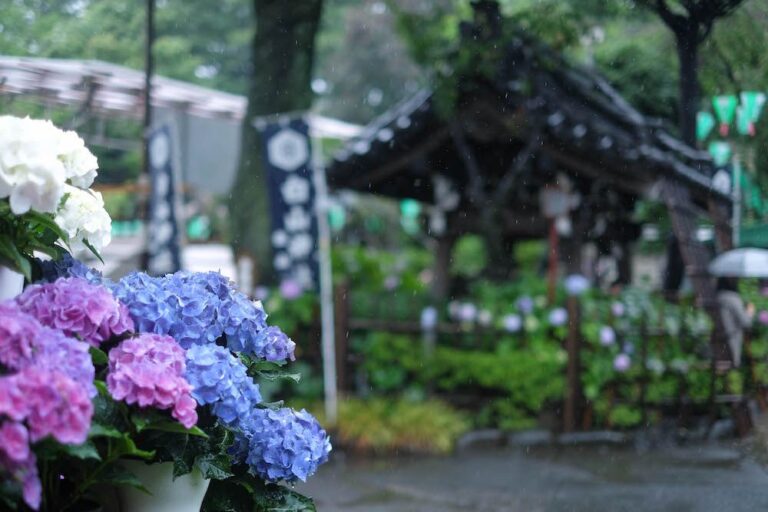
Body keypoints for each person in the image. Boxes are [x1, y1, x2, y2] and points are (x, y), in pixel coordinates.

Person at [716, 277, 755, 367]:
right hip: (731, 345)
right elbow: (746, 323)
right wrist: (750, 311)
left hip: (717, 346)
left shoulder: (716, 298)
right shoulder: (733, 298)